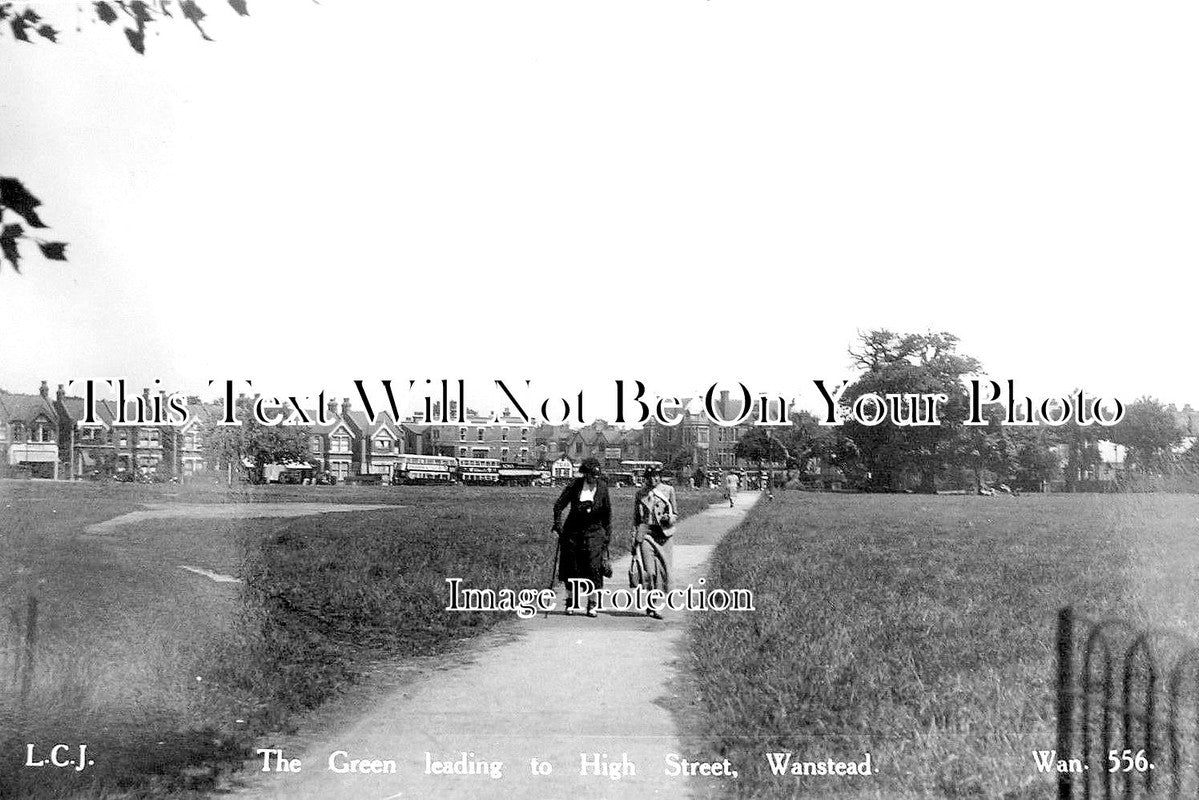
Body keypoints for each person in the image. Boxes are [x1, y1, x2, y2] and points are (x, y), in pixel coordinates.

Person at [551, 457, 612, 617]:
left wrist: (607, 537)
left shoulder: (603, 488)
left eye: (597, 475)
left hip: (595, 532)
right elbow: (558, 506)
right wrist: (558, 525)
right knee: (571, 567)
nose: (594, 478)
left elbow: (607, 515)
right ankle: (570, 603)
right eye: (592, 475)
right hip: (573, 531)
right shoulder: (575, 485)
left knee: (593, 568)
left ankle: (592, 604)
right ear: (585, 474)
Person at [630, 466, 677, 619]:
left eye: (656, 476)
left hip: (664, 535)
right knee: (650, 571)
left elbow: (675, 513)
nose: (653, 479)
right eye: (650, 477)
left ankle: (654, 604)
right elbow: (636, 519)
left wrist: (669, 518)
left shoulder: (668, 490)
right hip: (646, 535)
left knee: (663, 571)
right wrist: (634, 538)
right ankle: (652, 603)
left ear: (660, 476)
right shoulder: (640, 493)